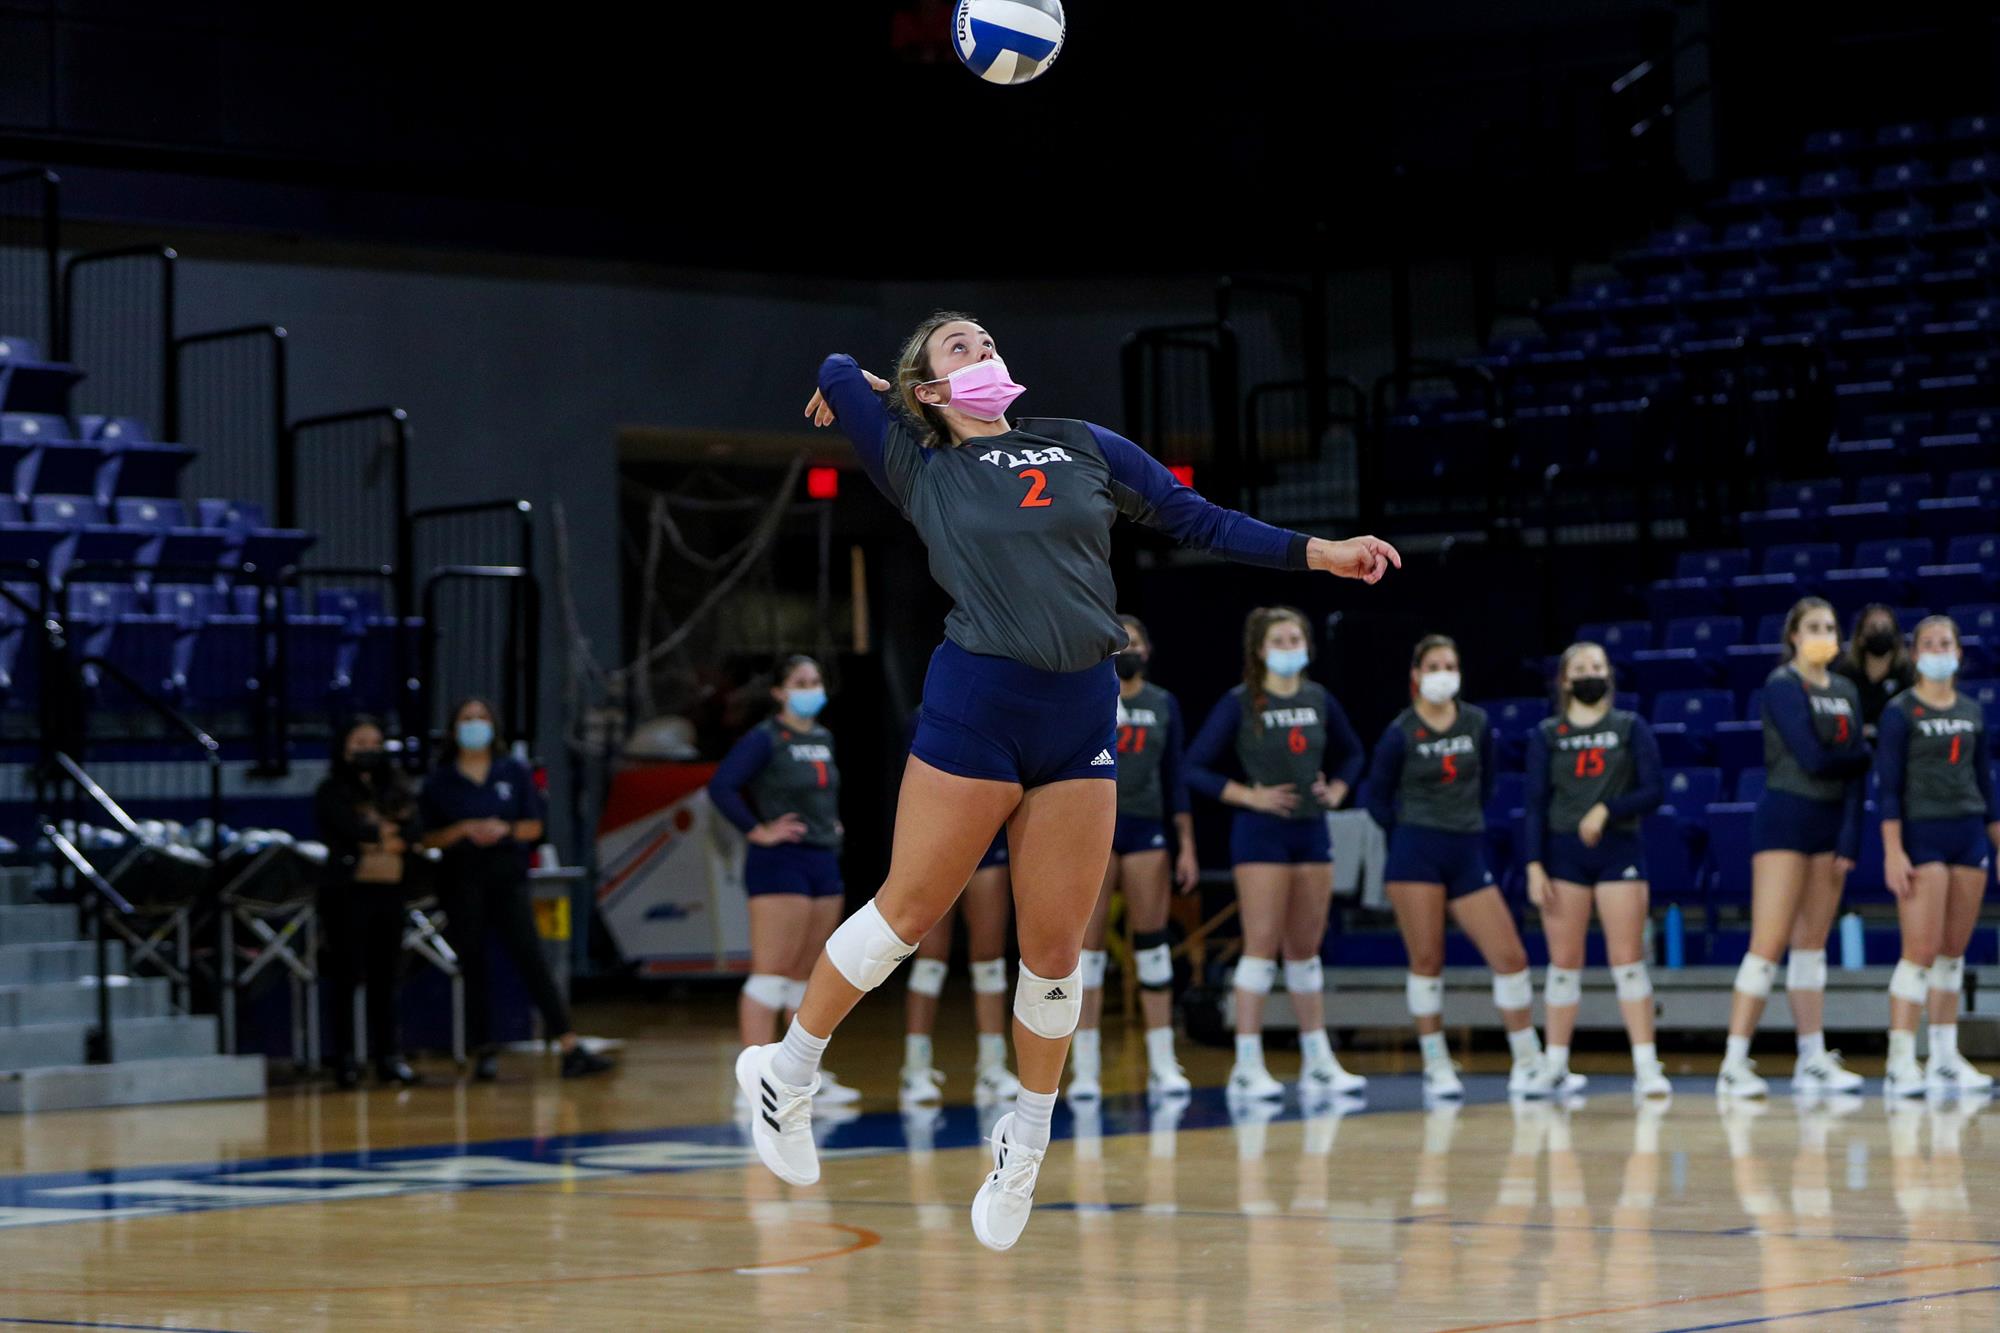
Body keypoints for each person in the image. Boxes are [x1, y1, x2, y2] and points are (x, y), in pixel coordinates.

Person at [737, 312, 1399, 1253]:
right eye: (959, 348)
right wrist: (878, 391)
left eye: (990, 341)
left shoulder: (1082, 446)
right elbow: (835, 365)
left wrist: (1317, 552)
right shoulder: (919, 465)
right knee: (909, 911)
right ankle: (787, 1069)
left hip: (1083, 709)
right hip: (979, 699)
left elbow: (1194, 516)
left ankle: (1028, 1139)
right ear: (931, 389)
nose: (985, 351)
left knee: (1056, 953)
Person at [1186, 605, 1368, 1103]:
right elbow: (1194, 767)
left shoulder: (1319, 699)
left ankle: (1318, 1061)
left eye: (1296, 640)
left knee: (1306, 950)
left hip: (1312, 833)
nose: (1291, 649)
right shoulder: (1241, 702)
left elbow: (1353, 752)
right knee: (1261, 944)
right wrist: (1250, 795)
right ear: (1261, 651)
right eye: (1280, 641)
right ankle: (1246, 1065)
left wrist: (1339, 788)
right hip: (1260, 836)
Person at [1364, 634, 1554, 1100]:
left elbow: (1488, 783)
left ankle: (1528, 1060)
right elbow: (1376, 798)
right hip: (1416, 852)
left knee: (1509, 956)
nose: (1442, 673)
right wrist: (1412, 829)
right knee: (1427, 959)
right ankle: (1435, 1062)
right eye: (1433, 665)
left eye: (1450, 664)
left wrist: (1458, 821)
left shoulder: (1476, 722)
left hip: (1467, 848)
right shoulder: (1400, 731)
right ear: (1416, 676)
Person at [1716, 598, 1870, 1098]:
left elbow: (1851, 775)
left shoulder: (1846, 689)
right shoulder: (1782, 685)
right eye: (1813, 627)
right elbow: (1811, 757)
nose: (1824, 633)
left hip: (1831, 826)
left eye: (1830, 626)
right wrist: (1859, 753)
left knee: (1811, 950)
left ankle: (1812, 1059)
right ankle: (1734, 1062)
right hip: (1786, 818)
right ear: (1793, 637)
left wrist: (1850, 832)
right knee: (1767, 946)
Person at [421, 697, 613, 1080]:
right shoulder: (440, 779)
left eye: (481, 718)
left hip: (507, 876)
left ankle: (569, 1044)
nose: (475, 724)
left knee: (531, 958)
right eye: (466, 718)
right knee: (473, 963)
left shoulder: (513, 771)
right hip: (462, 879)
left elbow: (535, 827)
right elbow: (427, 838)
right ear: (453, 728)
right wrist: (462, 830)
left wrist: (503, 829)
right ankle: (483, 1051)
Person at [708, 656, 860, 1106]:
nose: (811, 688)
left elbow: (821, 793)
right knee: (769, 975)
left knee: (805, 977)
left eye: (815, 681)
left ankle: (800, 1077)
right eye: (800, 682)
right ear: (779, 691)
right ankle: (752, 1082)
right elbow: (722, 787)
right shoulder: (765, 738)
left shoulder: (825, 738)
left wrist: (830, 825)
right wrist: (759, 830)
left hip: (822, 861)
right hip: (780, 864)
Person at [1522, 643, 1670, 1099]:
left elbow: (1653, 791)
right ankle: (1555, 1066)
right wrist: (1533, 865)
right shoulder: (1548, 734)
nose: (1590, 674)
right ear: (1565, 680)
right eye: (1581, 668)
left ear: (1610, 675)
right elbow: (1534, 806)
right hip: (1564, 855)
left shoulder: (1629, 727)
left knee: (1627, 963)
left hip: (1618, 849)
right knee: (1563, 965)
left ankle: (1646, 1066)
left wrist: (1607, 808)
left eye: (1598, 667)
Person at [1069, 613, 1198, 1103]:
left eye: (1138, 641)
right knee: (1090, 954)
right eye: (1123, 642)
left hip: (1148, 829)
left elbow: (1176, 778)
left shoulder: (1164, 704)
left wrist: (1186, 844)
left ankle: (1163, 1062)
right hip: (1094, 830)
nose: (1131, 649)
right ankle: (1085, 1068)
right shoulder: (1088, 695)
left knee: (1153, 948)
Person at [1874, 615, 1999, 1096]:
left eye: (1945, 641)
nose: (1938, 649)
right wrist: (1891, 850)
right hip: (1921, 834)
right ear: (1914, 654)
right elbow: (1889, 788)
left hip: (1968, 834)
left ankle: (1945, 1058)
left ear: (1959, 652)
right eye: (1928, 642)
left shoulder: (1973, 711)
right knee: (1920, 952)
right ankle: (1900, 1060)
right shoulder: (1899, 711)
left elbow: (1985, 783)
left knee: (1952, 952)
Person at [316, 716, 419, 1089]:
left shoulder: (395, 787)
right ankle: (345, 1058)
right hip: (347, 893)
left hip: (391, 891)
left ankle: (388, 1056)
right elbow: (348, 830)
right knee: (346, 977)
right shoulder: (331, 790)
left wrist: (383, 836)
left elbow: (414, 829)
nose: (368, 751)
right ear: (344, 748)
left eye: (374, 743)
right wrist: (380, 834)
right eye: (359, 743)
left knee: (387, 978)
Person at [900, 822, 1023, 1108]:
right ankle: (915, 1069)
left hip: (987, 841)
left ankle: (992, 1068)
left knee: (989, 963)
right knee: (928, 963)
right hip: (938, 842)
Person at [1832, 602, 1915, 736]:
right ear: (1860, 637)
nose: (1879, 631)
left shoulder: (1908, 673)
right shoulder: (1845, 673)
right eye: (1872, 627)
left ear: (1895, 636)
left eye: (1886, 627)